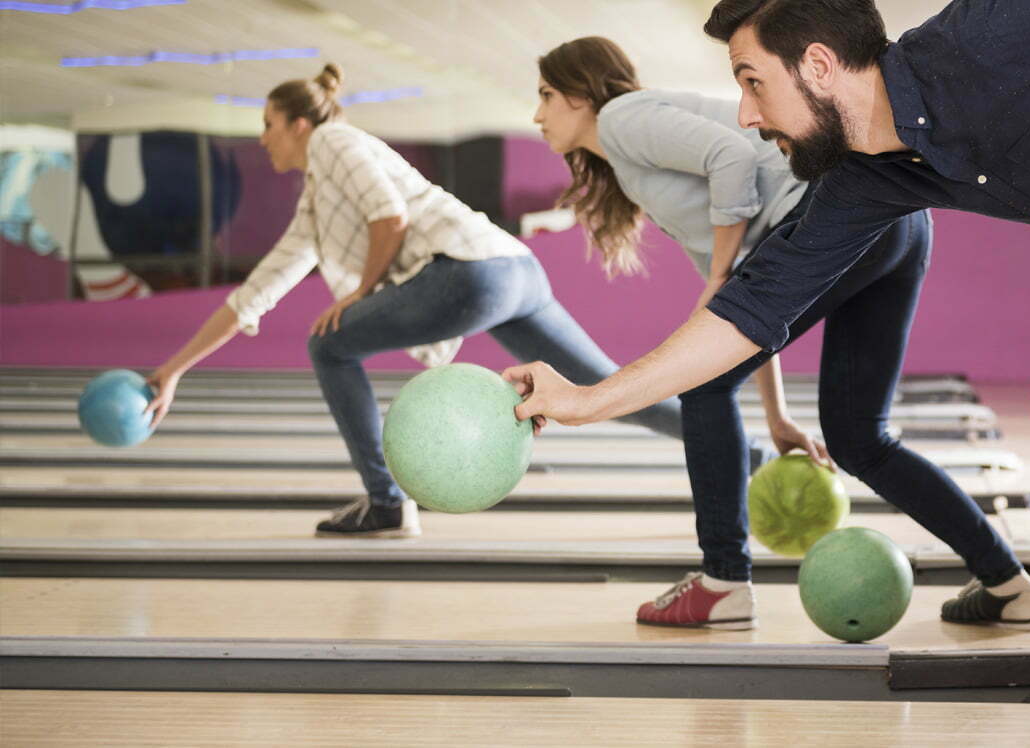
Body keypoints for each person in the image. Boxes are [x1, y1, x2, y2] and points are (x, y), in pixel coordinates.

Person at [505, 0, 1030, 747]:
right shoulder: (870, 181)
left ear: (822, 65)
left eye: (753, 82)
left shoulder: (995, 34)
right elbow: (746, 313)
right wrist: (585, 401)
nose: (745, 116)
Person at [533, 36, 1030, 631]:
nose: (537, 115)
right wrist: (776, 417)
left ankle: (724, 581)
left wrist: (724, 275)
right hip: (889, 217)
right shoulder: (630, 160)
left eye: (545, 96)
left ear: (581, 94)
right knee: (858, 440)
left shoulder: (621, 119)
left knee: (701, 387)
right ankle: (1010, 586)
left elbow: (732, 160)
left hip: (834, 213)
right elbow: (742, 319)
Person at [145, 62, 683, 537]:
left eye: (268, 124)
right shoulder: (316, 199)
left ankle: (386, 503)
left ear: (300, 125)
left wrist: (358, 293)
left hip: (469, 272)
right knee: (610, 388)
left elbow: (390, 217)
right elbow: (257, 291)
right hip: (515, 271)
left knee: (330, 346)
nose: (262, 139)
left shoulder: (334, 141)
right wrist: (173, 369)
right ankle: (748, 451)